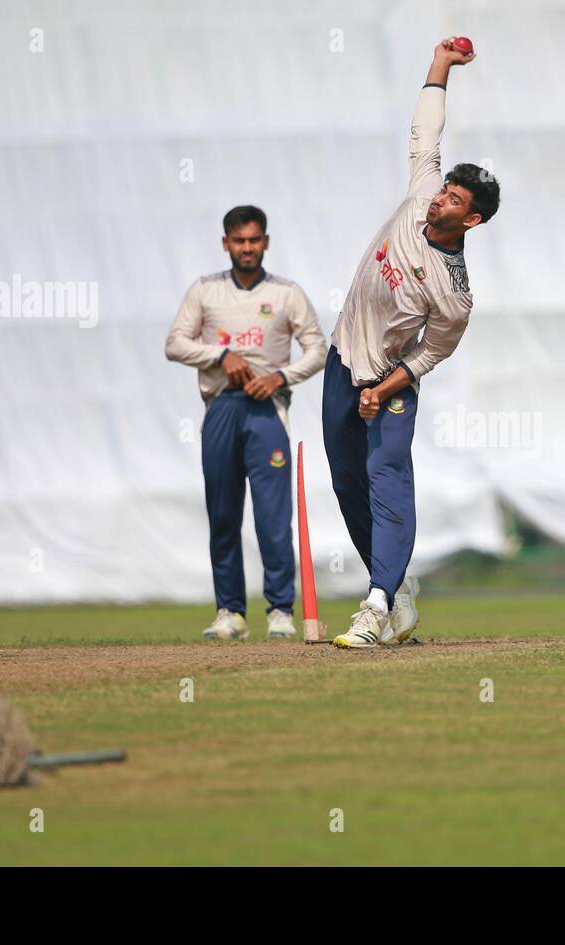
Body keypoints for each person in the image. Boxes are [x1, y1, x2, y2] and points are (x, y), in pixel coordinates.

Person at [324, 39, 501, 648]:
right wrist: (441, 66)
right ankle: (396, 589)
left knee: (387, 472)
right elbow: (424, 131)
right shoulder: (422, 190)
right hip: (342, 357)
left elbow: (432, 352)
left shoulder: (455, 291)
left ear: (470, 220)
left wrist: (386, 387)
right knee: (347, 481)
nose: (440, 199)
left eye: (454, 199)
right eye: (444, 189)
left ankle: (375, 607)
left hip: (390, 378)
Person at [166, 206, 327, 640]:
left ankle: (279, 611)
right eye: (239, 241)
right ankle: (230, 612)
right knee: (223, 513)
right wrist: (220, 355)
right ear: (226, 244)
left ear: (266, 242)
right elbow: (175, 343)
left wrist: (280, 376)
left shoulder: (286, 293)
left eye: (255, 240)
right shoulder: (205, 291)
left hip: (267, 410)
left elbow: (318, 349)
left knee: (273, 518)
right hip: (221, 406)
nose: (248, 248)